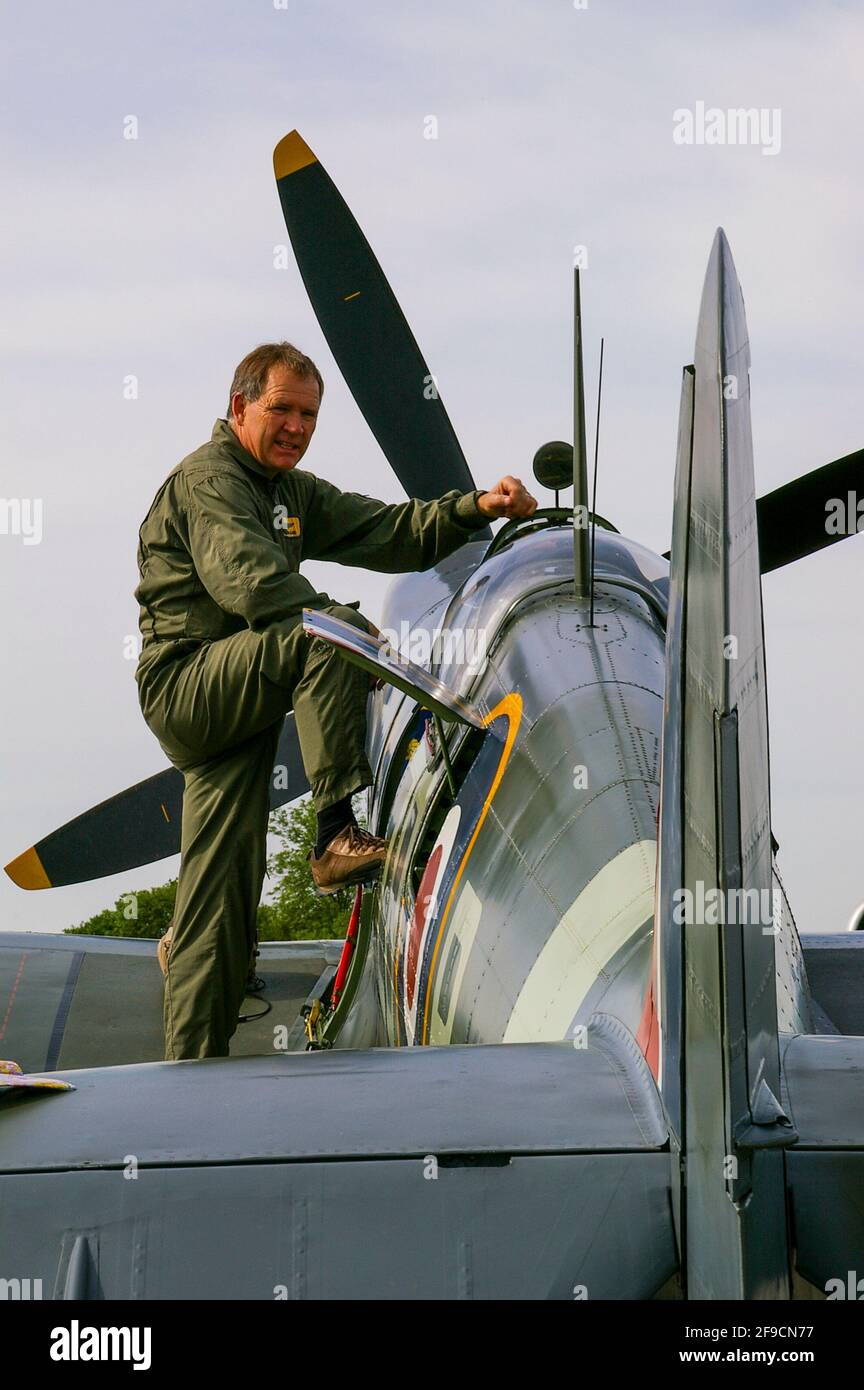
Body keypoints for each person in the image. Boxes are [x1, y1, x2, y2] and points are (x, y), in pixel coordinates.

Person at [134, 341, 536, 1060]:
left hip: (246, 692)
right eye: (280, 409)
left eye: (309, 414)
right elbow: (254, 587)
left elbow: (386, 530)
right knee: (330, 634)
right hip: (190, 685)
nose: (295, 425)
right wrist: (358, 643)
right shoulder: (210, 481)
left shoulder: (291, 494)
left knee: (219, 905)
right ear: (239, 407)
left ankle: (191, 1075)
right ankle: (334, 835)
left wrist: (476, 507)